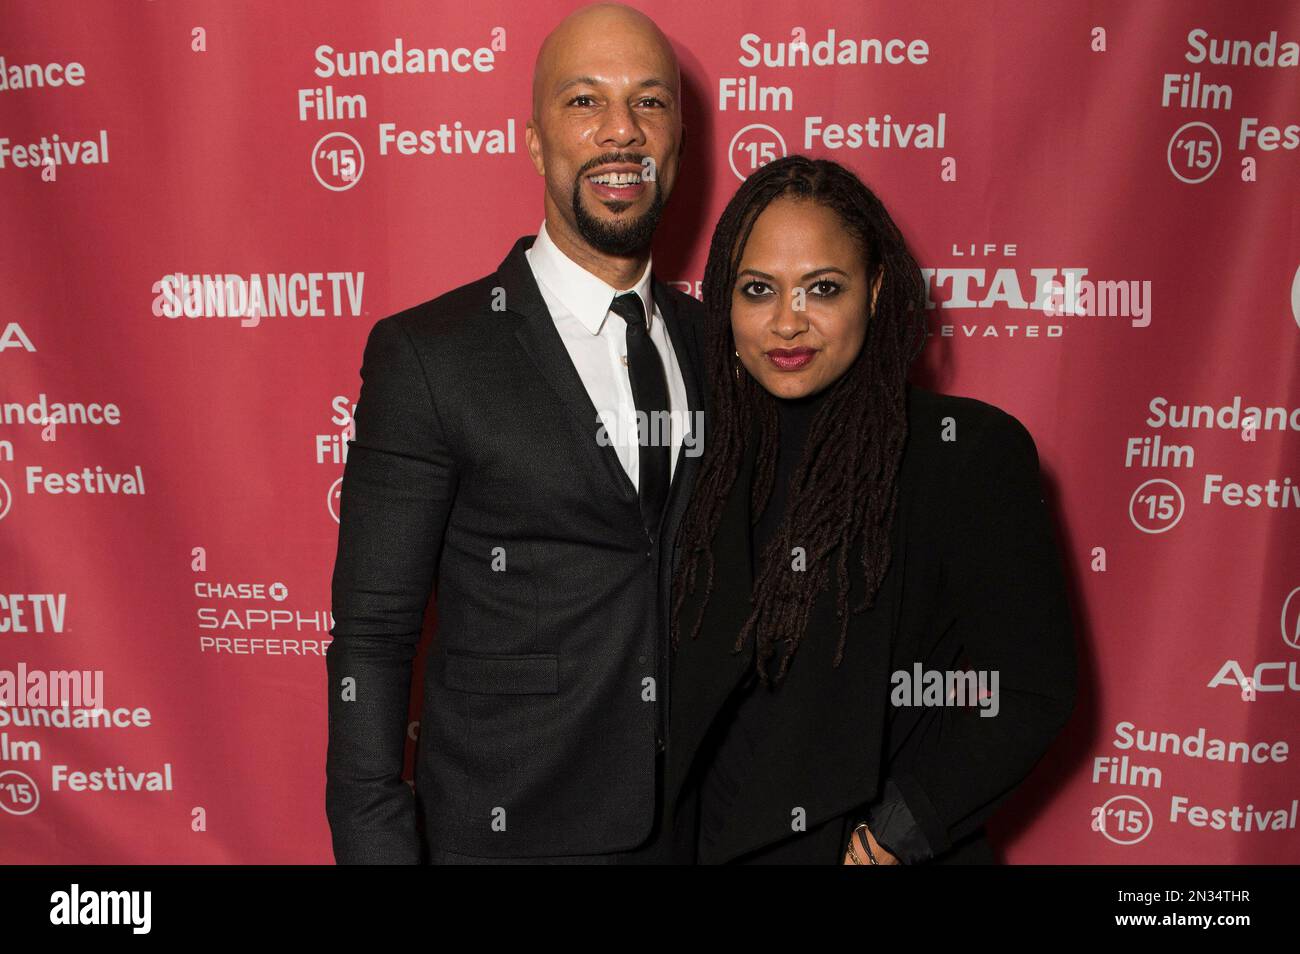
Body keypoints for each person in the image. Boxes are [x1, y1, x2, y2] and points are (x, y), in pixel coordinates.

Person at [326, 3, 705, 863]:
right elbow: (372, 636)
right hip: (504, 834)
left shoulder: (712, 345)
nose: (621, 131)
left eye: (649, 103)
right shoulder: (431, 354)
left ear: (678, 137)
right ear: (535, 141)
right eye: (584, 102)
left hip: (693, 831)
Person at [665, 155, 1078, 864]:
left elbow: (1031, 689)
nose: (786, 323)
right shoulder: (703, 457)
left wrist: (900, 829)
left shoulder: (964, 454)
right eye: (758, 289)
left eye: (822, 288)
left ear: (877, 289)